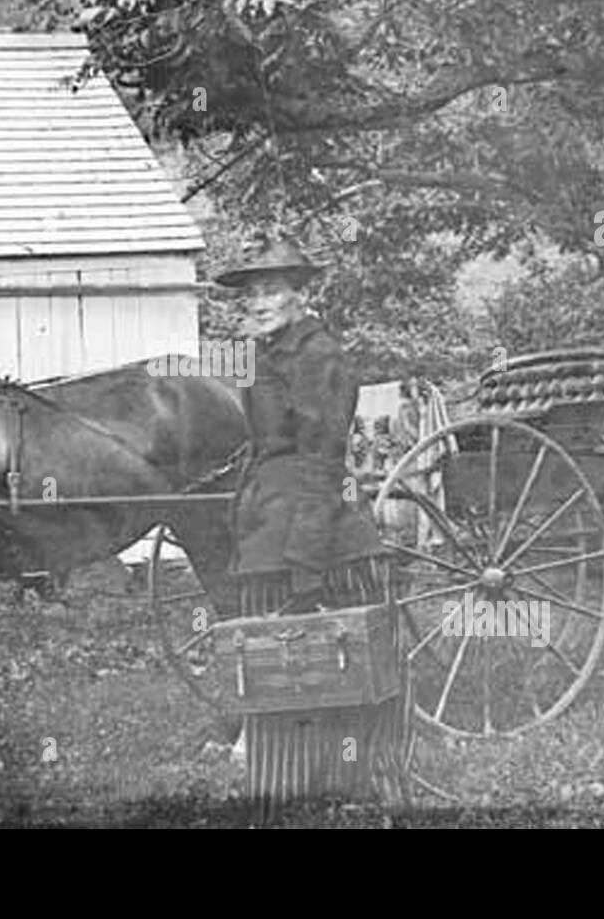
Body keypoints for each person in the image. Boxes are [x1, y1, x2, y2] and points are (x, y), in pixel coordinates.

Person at [214, 240, 401, 819]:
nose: (260, 301)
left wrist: (306, 561)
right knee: (276, 671)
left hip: (319, 537)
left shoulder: (321, 357)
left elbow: (323, 460)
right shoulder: (262, 354)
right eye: (252, 292)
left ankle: (362, 791)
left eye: (272, 290)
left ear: (301, 293)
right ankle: (290, 796)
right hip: (268, 526)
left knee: (339, 664)